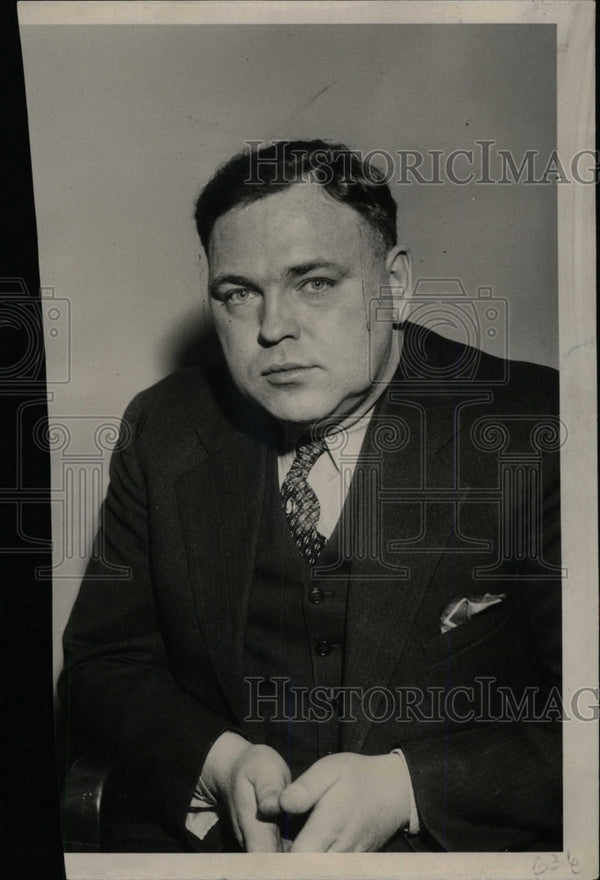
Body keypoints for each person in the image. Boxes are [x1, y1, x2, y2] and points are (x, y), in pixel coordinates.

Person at [59, 140, 562, 853]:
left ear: (396, 283)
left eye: (315, 282)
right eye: (238, 294)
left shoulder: (536, 427)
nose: (272, 328)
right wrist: (217, 763)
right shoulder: (163, 428)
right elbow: (100, 669)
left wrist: (407, 788)